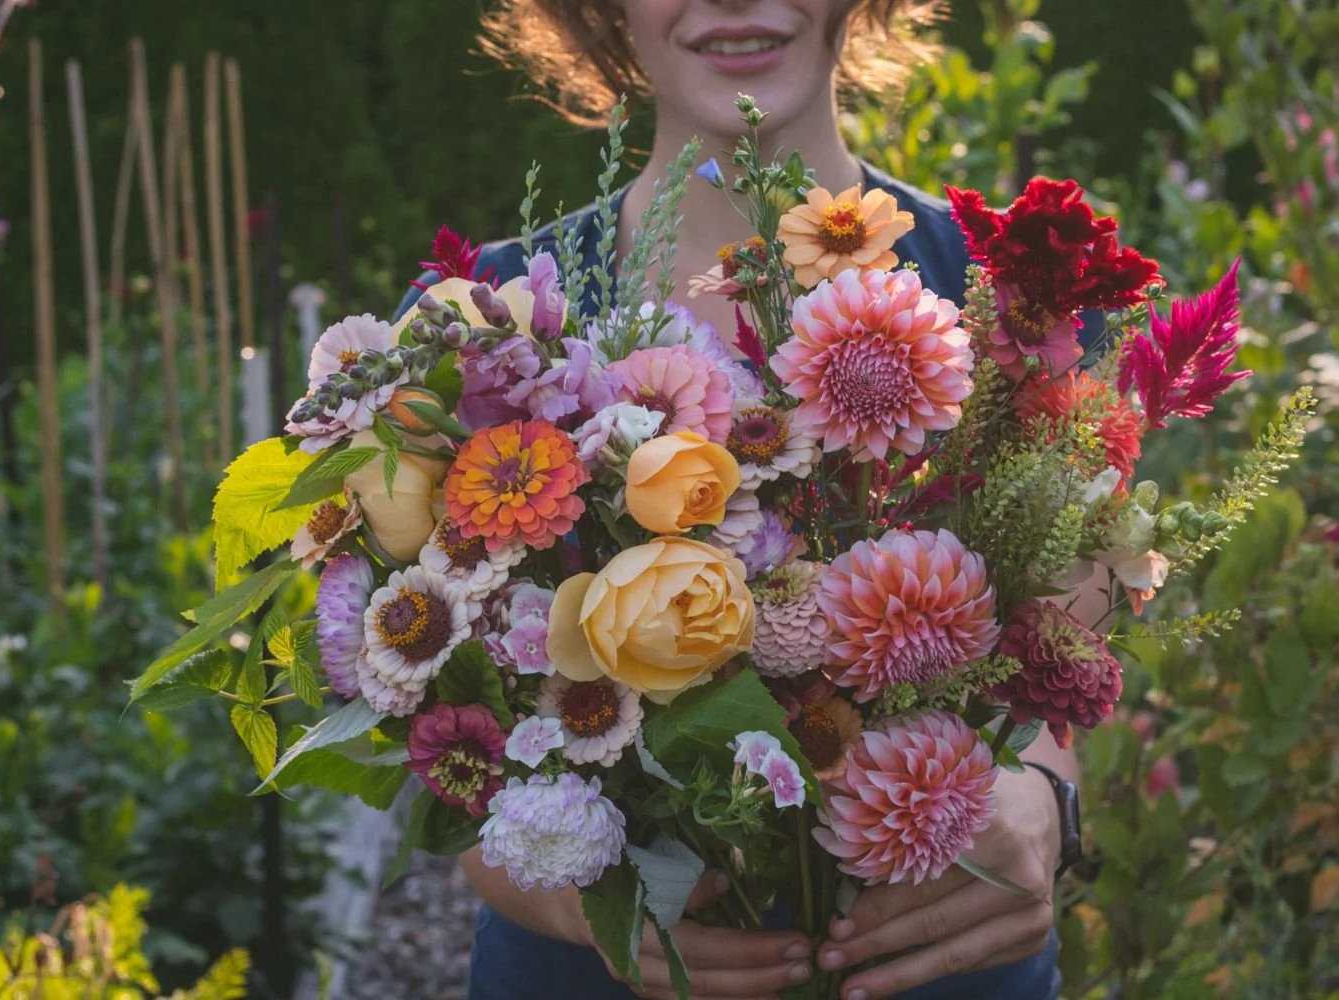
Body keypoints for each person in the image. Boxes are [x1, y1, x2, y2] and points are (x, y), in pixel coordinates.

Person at [396, 2, 1094, 997]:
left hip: (927, 964)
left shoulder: (1000, 296)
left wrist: (1041, 810)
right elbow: (435, 731)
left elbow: (1073, 656)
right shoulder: (482, 329)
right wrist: (570, 896)